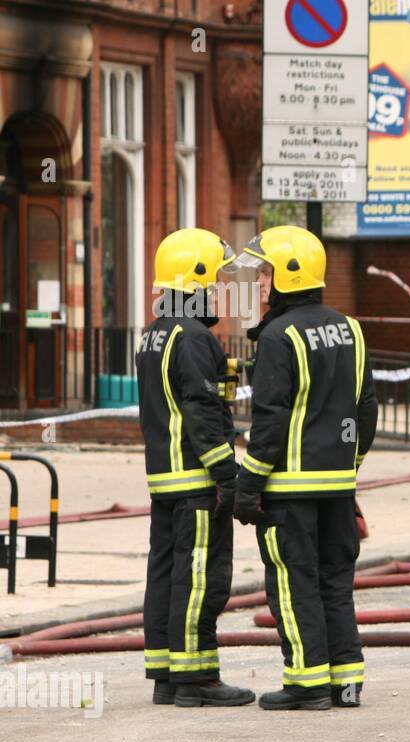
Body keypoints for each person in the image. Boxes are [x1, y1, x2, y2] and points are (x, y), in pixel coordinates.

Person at [231, 226, 377, 711]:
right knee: (336, 582)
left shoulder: (278, 336)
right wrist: (348, 467)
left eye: (265, 273)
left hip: (288, 490)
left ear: (289, 276)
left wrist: (248, 486)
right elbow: (366, 410)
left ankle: (307, 683)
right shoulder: (351, 329)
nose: (259, 283)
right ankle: (346, 681)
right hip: (337, 486)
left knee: (295, 585)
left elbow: (270, 421)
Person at [137, 228, 254, 707]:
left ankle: (166, 673)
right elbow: (205, 417)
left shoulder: (154, 335)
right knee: (201, 577)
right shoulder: (192, 337)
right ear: (197, 281)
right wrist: (229, 475)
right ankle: (197, 678)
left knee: (166, 572)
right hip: (197, 482)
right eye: (218, 282)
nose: (222, 291)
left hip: (164, 480)